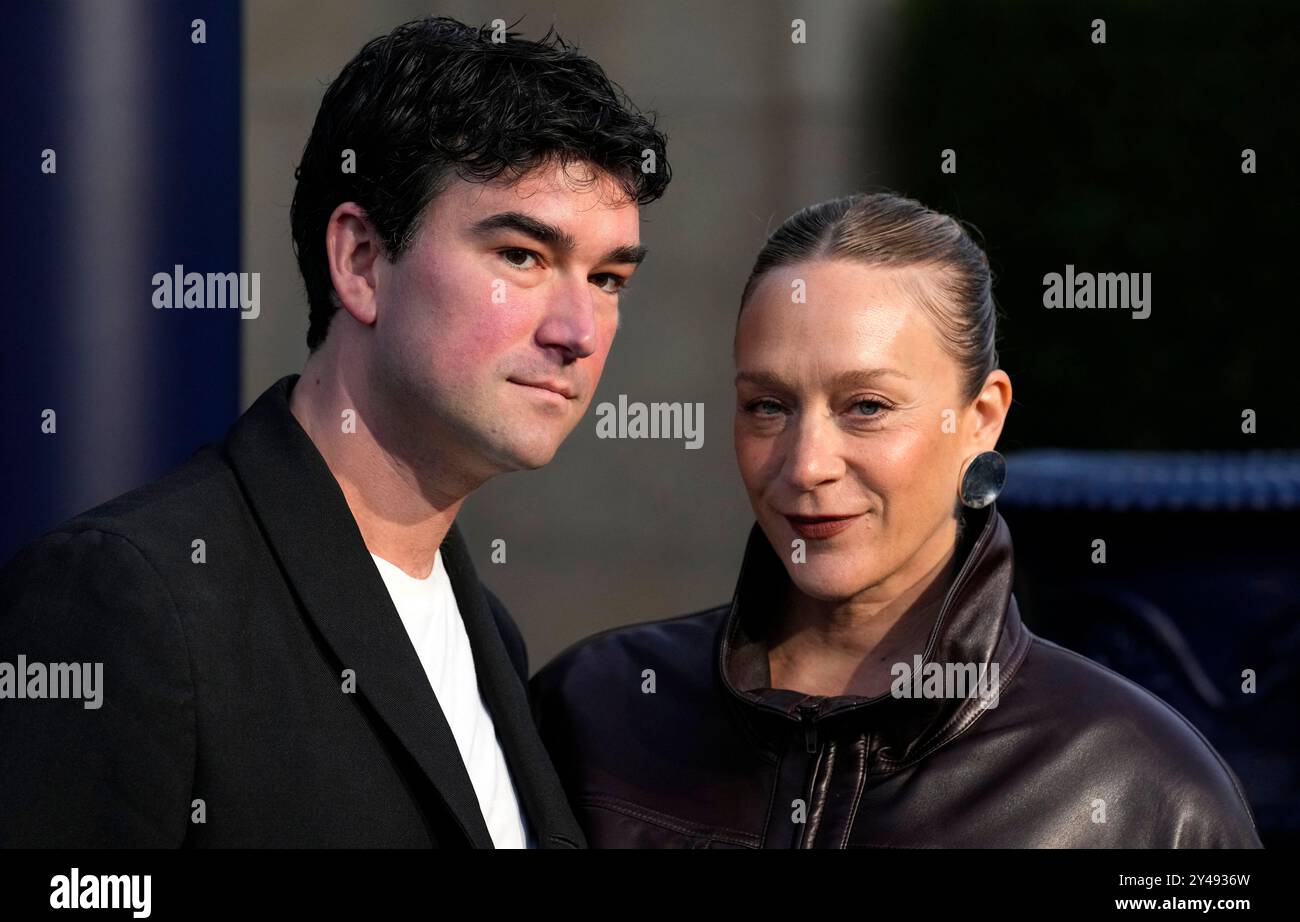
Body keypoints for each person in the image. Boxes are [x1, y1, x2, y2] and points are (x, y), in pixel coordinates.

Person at [0, 15, 669, 848]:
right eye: (522, 256)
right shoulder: (129, 595)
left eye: (607, 278)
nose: (579, 329)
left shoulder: (487, 628)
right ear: (359, 259)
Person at [529, 191, 1263, 848]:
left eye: (867, 408)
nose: (807, 463)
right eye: (767, 406)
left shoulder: (1146, 791)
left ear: (982, 418)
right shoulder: (594, 709)